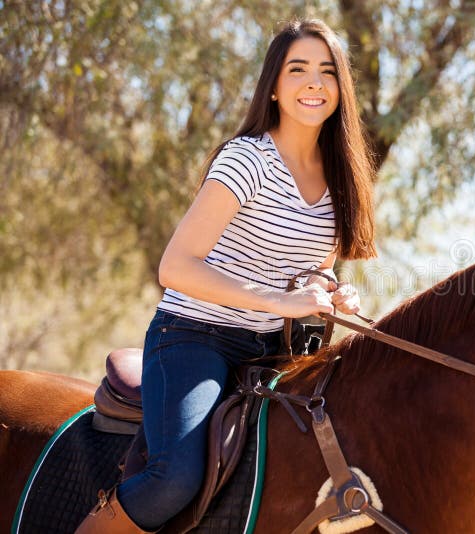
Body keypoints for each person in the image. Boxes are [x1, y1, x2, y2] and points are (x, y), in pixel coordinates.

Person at [76, 18, 377, 533]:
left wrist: (329, 288)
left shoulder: (340, 173)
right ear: (275, 87)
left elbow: (311, 267)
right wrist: (279, 303)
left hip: (275, 350)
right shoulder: (248, 159)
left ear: (340, 88)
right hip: (196, 337)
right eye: (298, 69)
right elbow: (176, 266)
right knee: (175, 478)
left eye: (327, 72)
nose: (314, 83)